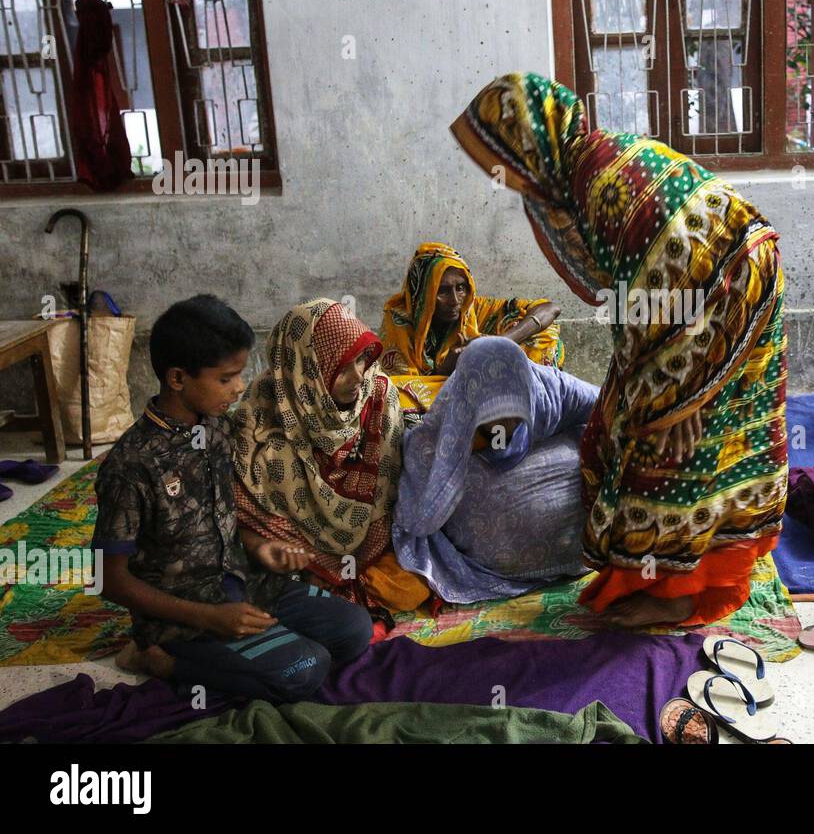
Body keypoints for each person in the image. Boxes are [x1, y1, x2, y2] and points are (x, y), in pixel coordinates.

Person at [449, 72, 787, 628]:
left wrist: (678, 397)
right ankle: (673, 571)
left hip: (716, 293)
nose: (500, 177)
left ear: (529, 142)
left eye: (500, 160)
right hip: (714, 284)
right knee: (627, 419)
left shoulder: (602, 178)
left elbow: (671, 276)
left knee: (668, 443)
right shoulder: (586, 169)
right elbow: (637, 290)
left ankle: (676, 589)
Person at [93, 295, 373, 702]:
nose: (240, 387)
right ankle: (161, 660)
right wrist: (210, 617)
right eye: (226, 378)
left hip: (245, 585)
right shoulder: (131, 464)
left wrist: (261, 549)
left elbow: (221, 518)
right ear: (177, 378)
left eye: (239, 374)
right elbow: (109, 579)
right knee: (306, 669)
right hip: (185, 614)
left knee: (354, 629)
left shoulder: (217, 430)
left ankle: (253, 648)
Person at [231, 299, 429, 615]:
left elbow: (384, 498)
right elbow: (246, 509)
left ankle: (323, 581)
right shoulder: (265, 409)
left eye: (361, 360)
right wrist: (274, 550)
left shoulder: (377, 397)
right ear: (305, 368)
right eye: (340, 367)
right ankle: (309, 580)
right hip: (291, 549)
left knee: (410, 588)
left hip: (367, 544)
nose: (358, 376)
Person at [393, 336, 600, 603]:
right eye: (493, 416)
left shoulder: (549, 389)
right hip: (487, 549)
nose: (504, 428)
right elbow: (419, 508)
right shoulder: (451, 416)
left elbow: (612, 407)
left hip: (573, 538)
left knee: (590, 442)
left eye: (513, 414)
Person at [379, 242, 562, 412]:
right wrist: (447, 369)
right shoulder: (400, 319)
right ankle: (495, 410)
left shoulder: (472, 309)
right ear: (422, 293)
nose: (455, 300)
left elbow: (551, 308)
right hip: (435, 394)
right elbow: (401, 385)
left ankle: (503, 406)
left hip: (477, 388)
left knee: (545, 334)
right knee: (395, 403)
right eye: (442, 291)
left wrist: (500, 342)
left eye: (460, 288)